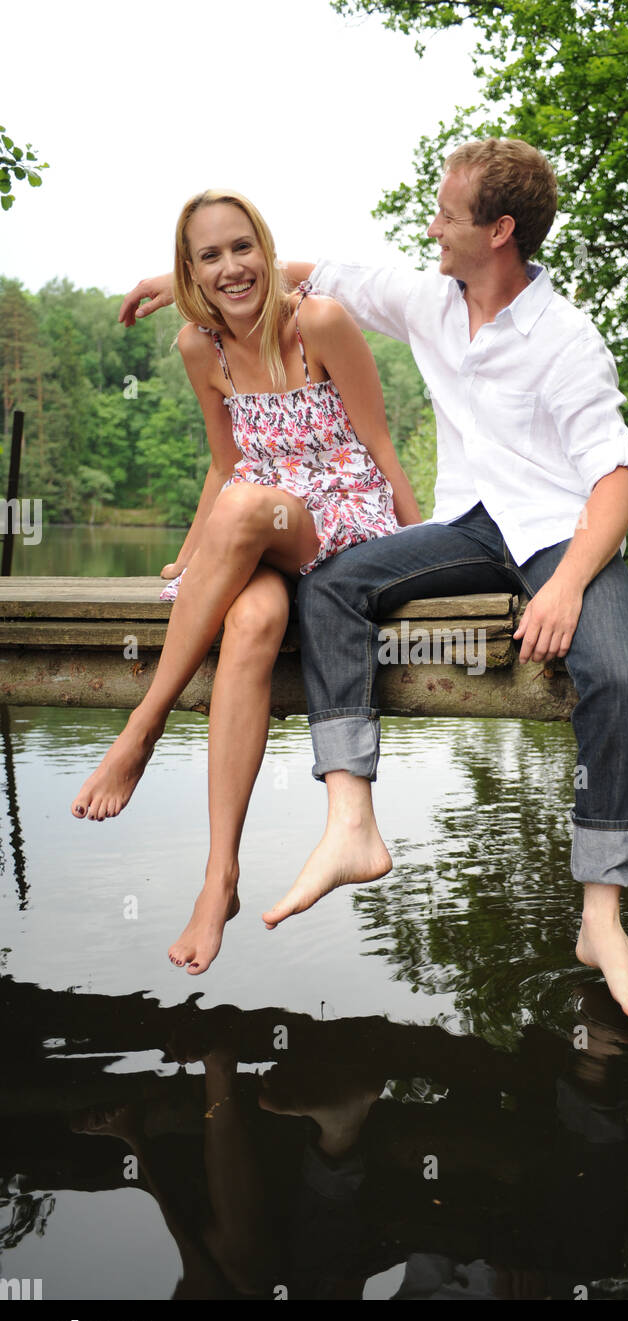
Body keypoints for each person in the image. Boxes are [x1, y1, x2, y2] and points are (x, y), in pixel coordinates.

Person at [117, 139, 628, 1023]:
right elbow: (300, 268)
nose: (430, 227)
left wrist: (564, 585)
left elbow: (614, 481)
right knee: (333, 580)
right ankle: (351, 823)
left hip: (564, 534)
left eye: (446, 215)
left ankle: (600, 915)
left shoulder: (565, 338)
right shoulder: (428, 300)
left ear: (499, 231)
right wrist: (168, 278)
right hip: (469, 528)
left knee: (621, 675)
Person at [71, 189, 421, 975]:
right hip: (256, 527)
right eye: (209, 255)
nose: (231, 268)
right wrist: (193, 552)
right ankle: (219, 876)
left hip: (339, 523)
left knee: (245, 510)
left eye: (242, 247)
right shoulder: (202, 350)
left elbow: (378, 443)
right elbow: (227, 464)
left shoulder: (319, 322)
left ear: (265, 249)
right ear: (189, 271)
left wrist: (422, 548)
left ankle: (142, 727)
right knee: (252, 626)